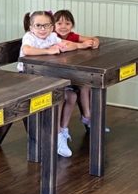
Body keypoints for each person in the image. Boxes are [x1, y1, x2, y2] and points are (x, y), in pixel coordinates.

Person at [19, 11, 81, 158]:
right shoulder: (29, 37)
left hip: (49, 77)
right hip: (29, 78)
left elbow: (66, 45)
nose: (42, 29)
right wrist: (48, 51)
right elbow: (27, 50)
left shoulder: (52, 36)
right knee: (58, 96)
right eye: (38, 26)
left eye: (46, 25)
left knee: (71, 96)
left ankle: (62, 130)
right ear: (31, 26)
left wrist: (73, 46)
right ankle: (56, 133)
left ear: (52, 27)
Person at [53, 10, 107, 136]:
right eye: (59, 23)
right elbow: (65, 45)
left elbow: (92, 39)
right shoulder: (52, 37)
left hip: (72, 74)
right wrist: (81, 45)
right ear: (53, 26)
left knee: (89, 84)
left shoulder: (73, 36)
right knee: (83, 85)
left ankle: (88, 116)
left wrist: (95, 41)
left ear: (72, 25)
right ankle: (87, 116)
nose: (63, 27)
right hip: (57, 76)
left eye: (67, 23)